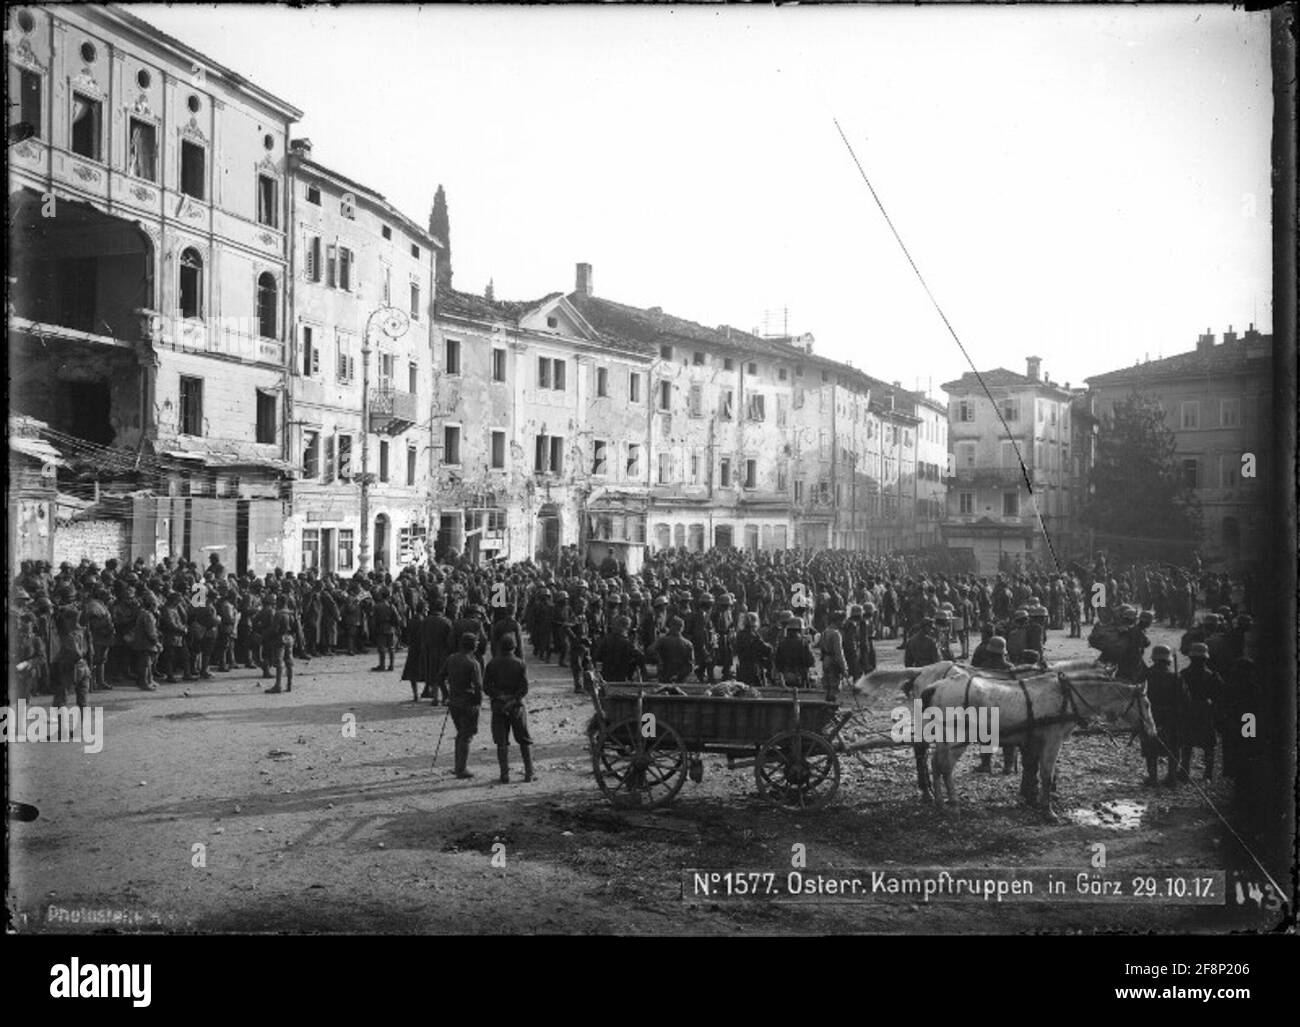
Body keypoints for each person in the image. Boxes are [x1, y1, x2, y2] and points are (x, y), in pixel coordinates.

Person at [484, 635, 534, 784]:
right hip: (516, 707)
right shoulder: (520, 664)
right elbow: (524, 688)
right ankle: (529, 773)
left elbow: (486, 687)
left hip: (499, 706)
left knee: (502, 741)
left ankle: (504, 775)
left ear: (499, 647)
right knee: (524, 740)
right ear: (515, 647)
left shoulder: (492, 664)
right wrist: (513, 699)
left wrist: (499, 696)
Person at [438, 633, 484, 779]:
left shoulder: (451, 658)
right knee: (466, 735)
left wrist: (446, 695)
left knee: (460, 734)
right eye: (476, 643)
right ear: (473, 645)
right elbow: (478, 686)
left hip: (454, 702)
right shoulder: (473, 663)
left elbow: (440, 677)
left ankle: (458, 765)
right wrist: (478, 702)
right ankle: (461, 769)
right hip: (468, 702)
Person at [1142, 645, 1187, 787]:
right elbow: (1185, 698)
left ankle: (1153, 778)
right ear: (1168, 660)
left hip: (1151, 713)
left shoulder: (1146, 674)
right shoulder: (1176, 676)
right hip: (1171, 716)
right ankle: (1172, 777)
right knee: (1173, 747)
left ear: (1154, 659)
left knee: (1151, 746)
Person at [1179, 642, 1223, 782]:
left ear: (1190, 658)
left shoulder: (1183, 674)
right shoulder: (1212, 675)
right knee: (1208, 745)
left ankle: (1185, 772)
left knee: (1187, 744)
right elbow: (1220, 695)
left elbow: (1177, 695)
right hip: (1205, 712)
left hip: (1189, 711)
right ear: (1205, 658)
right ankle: (1208, 775)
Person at [267, 594, 304, 694]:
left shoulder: (278, 614)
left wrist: (268, 636)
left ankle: (278, 685)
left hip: (280, 638)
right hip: (290, 638)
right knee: (289, 662)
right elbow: (297, 628)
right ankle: (289, 685)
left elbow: (275, 629)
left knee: (279, 662)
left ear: (280, 602)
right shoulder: (292, 613)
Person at [649, 617, 695, 684]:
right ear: (682, 628)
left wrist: (659, 661)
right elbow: (691, 665)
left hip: (664, 675)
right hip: (680, 678)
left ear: (671, 626)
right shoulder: (688, 644)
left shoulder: (662, 640)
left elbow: (650, 650)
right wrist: (680, 676)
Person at [774, 621, 815, 688]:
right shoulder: (803, 643)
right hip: (801, 677)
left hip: (785, 677)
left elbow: (777, 662)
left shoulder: (782, 643)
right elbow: (810, 661)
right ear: (800, 630)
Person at [818, 612, 848, 699]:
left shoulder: (825, 632)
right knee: (834, 687)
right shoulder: (836, 634)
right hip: (833, 662)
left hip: (825, 661)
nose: (843, 623)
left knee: (826, 686)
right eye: (842, 621)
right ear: (838, 621)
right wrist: (844, 668)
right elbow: (839, 653)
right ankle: (832, 707)